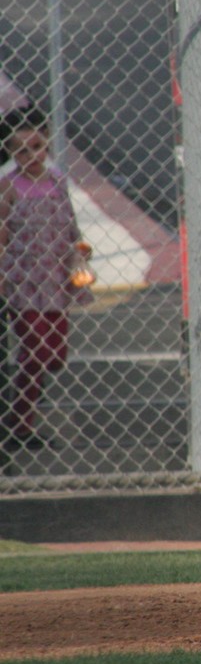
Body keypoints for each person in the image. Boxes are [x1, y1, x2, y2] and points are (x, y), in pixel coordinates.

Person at [0, 105, 94, 459]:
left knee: (54, 354)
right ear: (9, 152)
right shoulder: (8, 187)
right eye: (21, 149)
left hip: (54, 277)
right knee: (34, 350)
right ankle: (20, 422)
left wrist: (78, 255)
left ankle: (21, 413)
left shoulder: (55, 182)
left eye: (38, 146)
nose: (32, 155)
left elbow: (70, 226)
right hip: (23, 280)